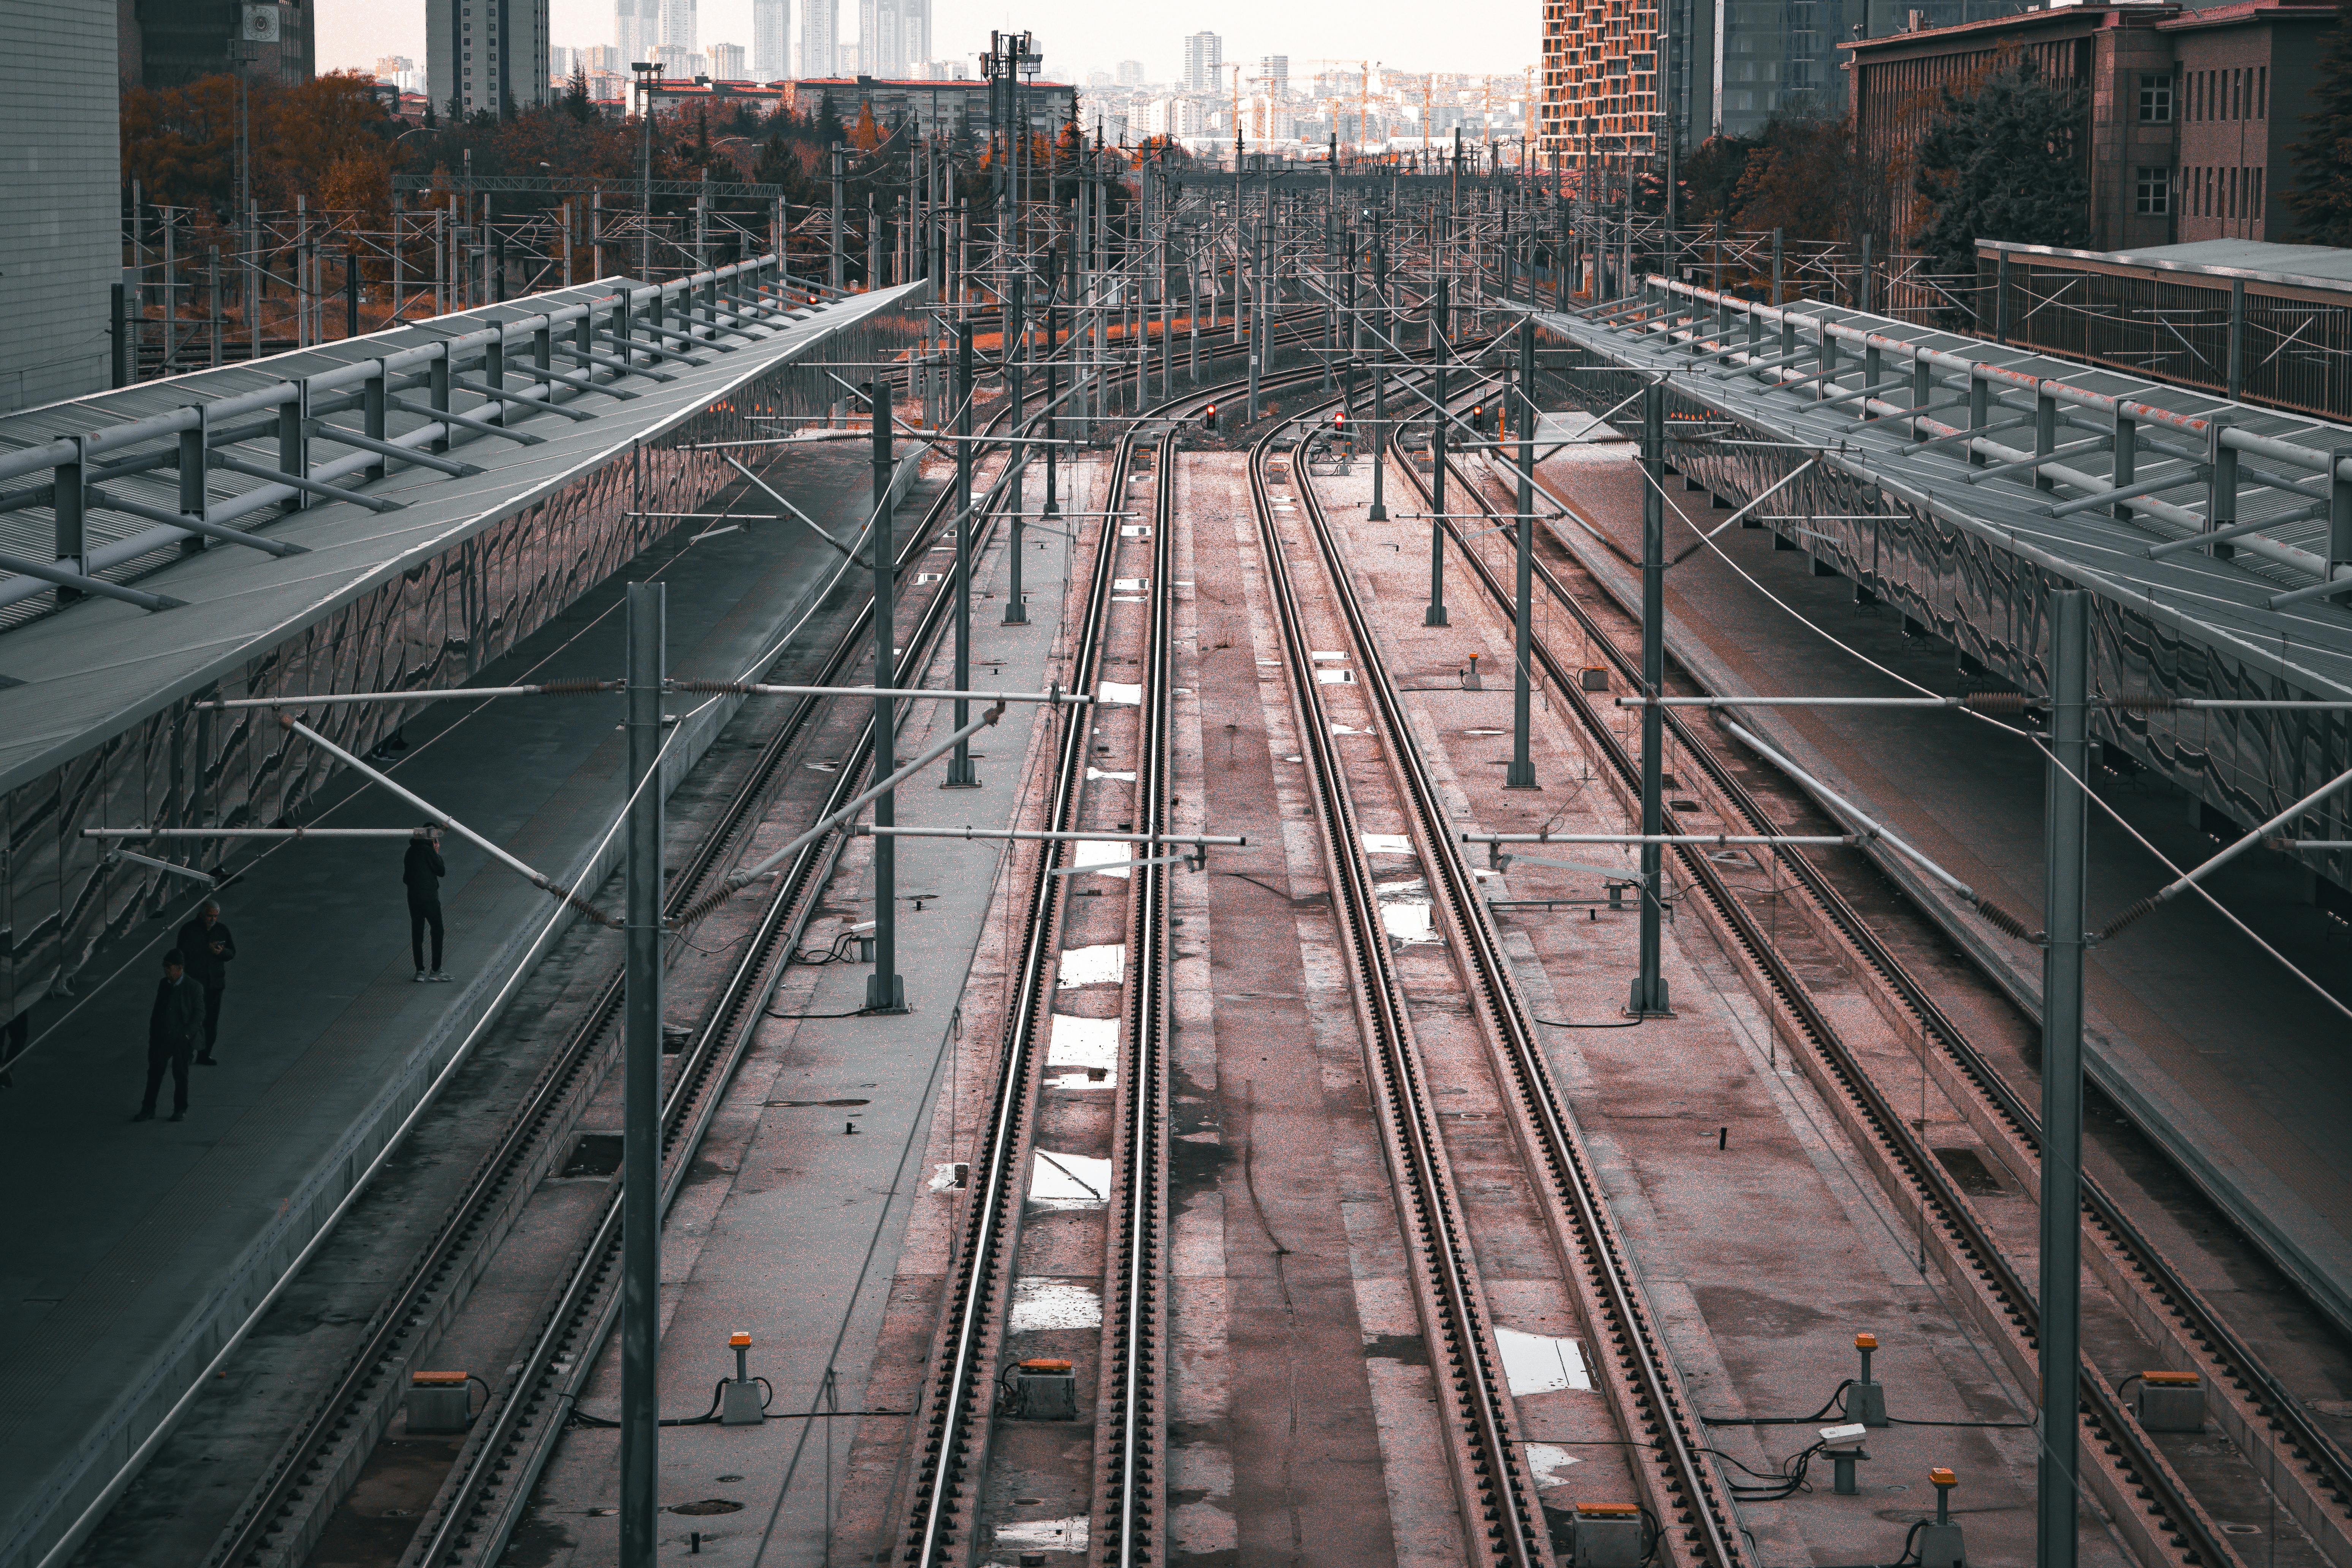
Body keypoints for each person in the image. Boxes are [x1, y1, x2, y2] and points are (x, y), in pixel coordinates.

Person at [136, 950, 204, 1122]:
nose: (165, 970)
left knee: (180, 1074)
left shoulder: (193, 987)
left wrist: (187, 1035)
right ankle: (148, 1108)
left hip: (181, 1039)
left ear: (179, 968)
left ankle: (180, 1109)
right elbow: (157, 1011)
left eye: (168, 967)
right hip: (163, 1038)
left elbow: (199, 1014)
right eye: (164, 966)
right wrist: (154, 1035)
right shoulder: (164, 984)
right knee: (155, 1073)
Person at [174, 899, 237, 1065]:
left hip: (215, 984)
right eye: (210, 916)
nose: (213, 920)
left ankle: (204, 1054)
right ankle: (186, 1053)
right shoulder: (189, 930)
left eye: (216, 916)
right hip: (195, 985)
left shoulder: (222, 930)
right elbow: (181, 955)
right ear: (202, 914)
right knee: (192, 1020)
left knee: (211, 1021)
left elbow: (232, 953)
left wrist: (221, 952)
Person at [405, 824, 450, 982]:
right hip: (430, 898)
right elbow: (442, 871)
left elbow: (406, 878)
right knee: (437, 930)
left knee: (417, 933)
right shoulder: (430, 852)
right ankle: (436, 970)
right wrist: (437, 854)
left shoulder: (410, 852)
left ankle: (420, 971)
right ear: (433, 840)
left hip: (413, 898)